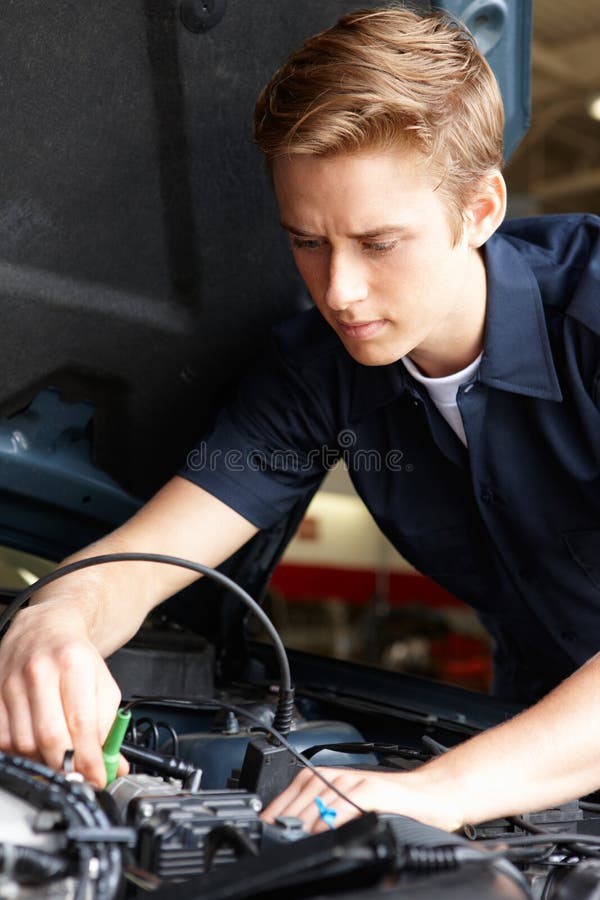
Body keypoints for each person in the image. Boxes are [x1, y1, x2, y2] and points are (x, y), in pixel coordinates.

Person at [0, 4, 599, 836]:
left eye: (379, 242)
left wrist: (439, 792)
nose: (340, 292)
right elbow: (143, 562)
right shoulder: (319, 372)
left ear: (482, 209)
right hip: (535, 751)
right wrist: (51, 625)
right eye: (307, 242)